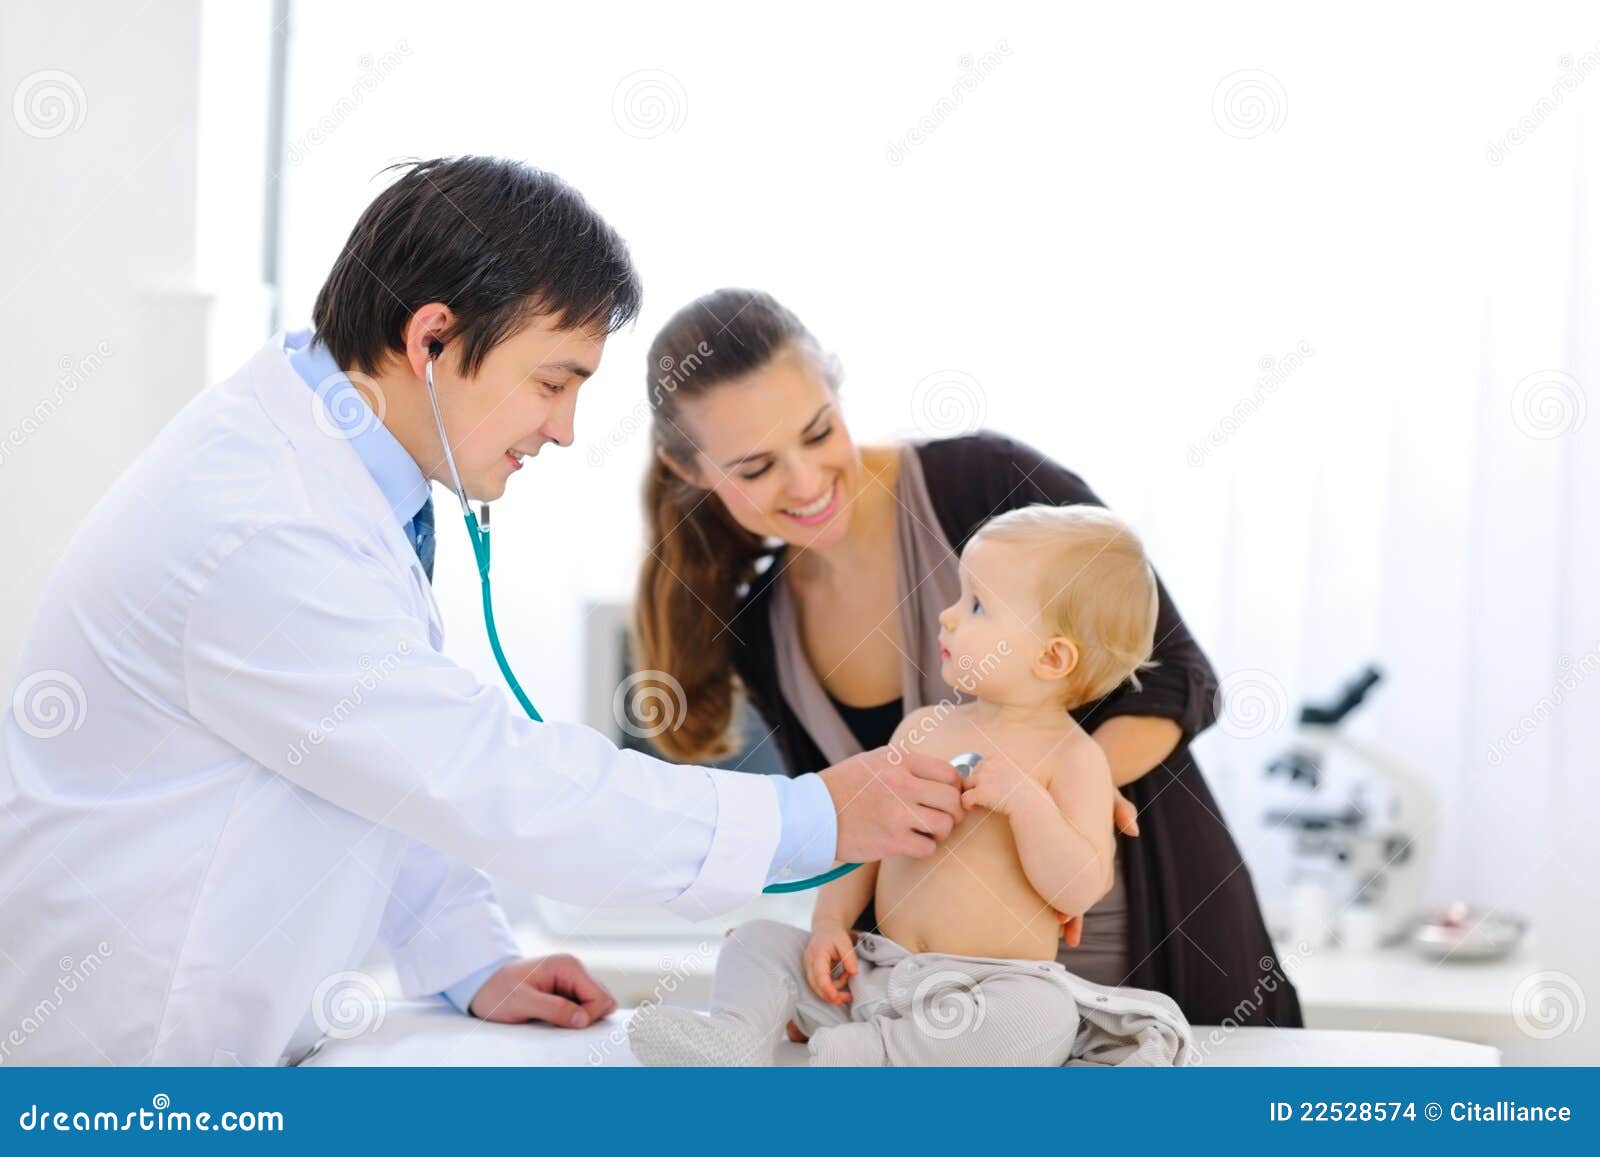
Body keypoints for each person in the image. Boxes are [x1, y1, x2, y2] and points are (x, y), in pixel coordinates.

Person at [0, 158, 970, 1066]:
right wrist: (814, 814)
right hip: (129, 1050)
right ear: (430, 340)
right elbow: (477, 773)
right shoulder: (261, 525)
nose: (563, 428)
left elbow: (377, 762)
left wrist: (468, 954)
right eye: (552, 382)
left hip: (213, 1027)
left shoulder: (332, 470)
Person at [633, 288, 1303, 1028]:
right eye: (755, 468)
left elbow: (1181, 677)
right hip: (946, 1008)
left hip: (1153, 958)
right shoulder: (760, 629)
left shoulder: (986, 486)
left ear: (837, 393)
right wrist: (833, 964)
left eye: (819, 431)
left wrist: (1055, 796)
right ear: (688, 468)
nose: (804, 481)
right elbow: (850, 824)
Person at [630, 504, 1196, 1065]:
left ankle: (873, 1052)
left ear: (1051, 657)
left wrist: (1027, 804)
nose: (948, 616)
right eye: (959, 597)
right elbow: (861, 844)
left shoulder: (1075, 761)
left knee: (1044, 1016)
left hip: (983, 991)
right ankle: (733, 1038)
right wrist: (829, 925)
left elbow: (1077, 890)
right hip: (877, 968)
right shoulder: (923, 728)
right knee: (756, 941)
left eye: (977, 605)